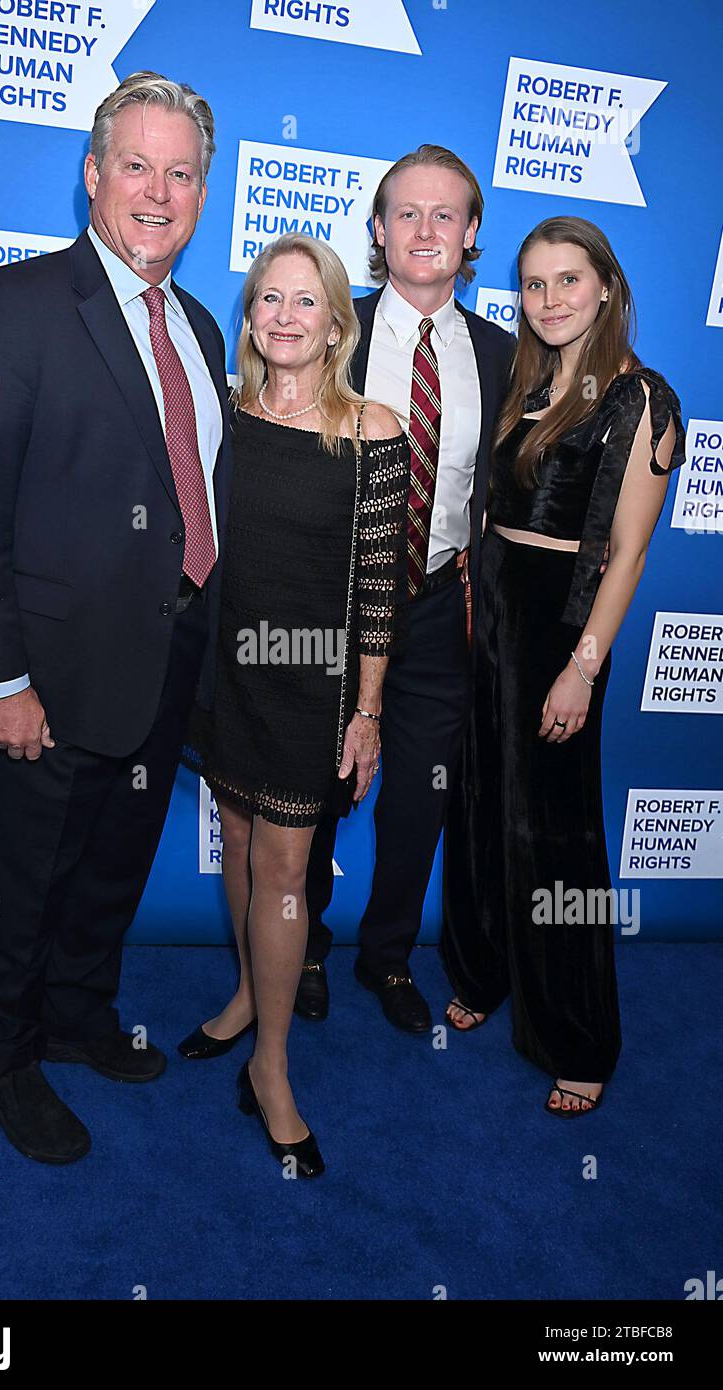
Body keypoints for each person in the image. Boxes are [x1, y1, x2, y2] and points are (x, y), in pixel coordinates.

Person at [0, 72, 232, 1164]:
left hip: (167, 660)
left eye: (181, 171)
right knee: (29, 876)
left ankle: (78, 1013)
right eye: (137, 166)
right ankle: (4, 1061)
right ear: (93, 176)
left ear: (204, 190)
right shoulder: (11, 305)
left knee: (113, 865)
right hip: (50, 676)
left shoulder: (199, 324)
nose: (159, 190)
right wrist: (0, 679)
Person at [440, 215, 685, 1114]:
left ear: (607, 288)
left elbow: (627, 553)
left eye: (568, 282)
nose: (548, 301)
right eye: (534, 285)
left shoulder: (639, 398)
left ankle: (578, 1037)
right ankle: (487, 969)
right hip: (495, 608)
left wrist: (583, 666)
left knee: (558, 832)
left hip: (560, 628)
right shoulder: (528, 383)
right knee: (481, 803)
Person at [179, 233, 409, 1175]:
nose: (284, 316)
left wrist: (367, 711)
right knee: (234, 844)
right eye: (268, 299)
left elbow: (380, 589)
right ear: (249, 318)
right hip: (223, 674)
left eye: (305, 301)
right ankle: (244, 994)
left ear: (336, 323)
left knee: (283, 868)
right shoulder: (219, 418)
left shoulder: (375, 432)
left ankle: (271, 1068)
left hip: (309, 692)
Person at [299, 146, 515, 1032]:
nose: (426, 230)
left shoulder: (509, 357)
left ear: (471, 237)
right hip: (328, 603)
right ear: (378, 232)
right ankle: (300, 946)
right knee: (308, 787)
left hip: (437, 609)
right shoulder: (326, 330)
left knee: (419, 795)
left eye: (446, 215)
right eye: (407, 213)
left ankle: (385, 958)